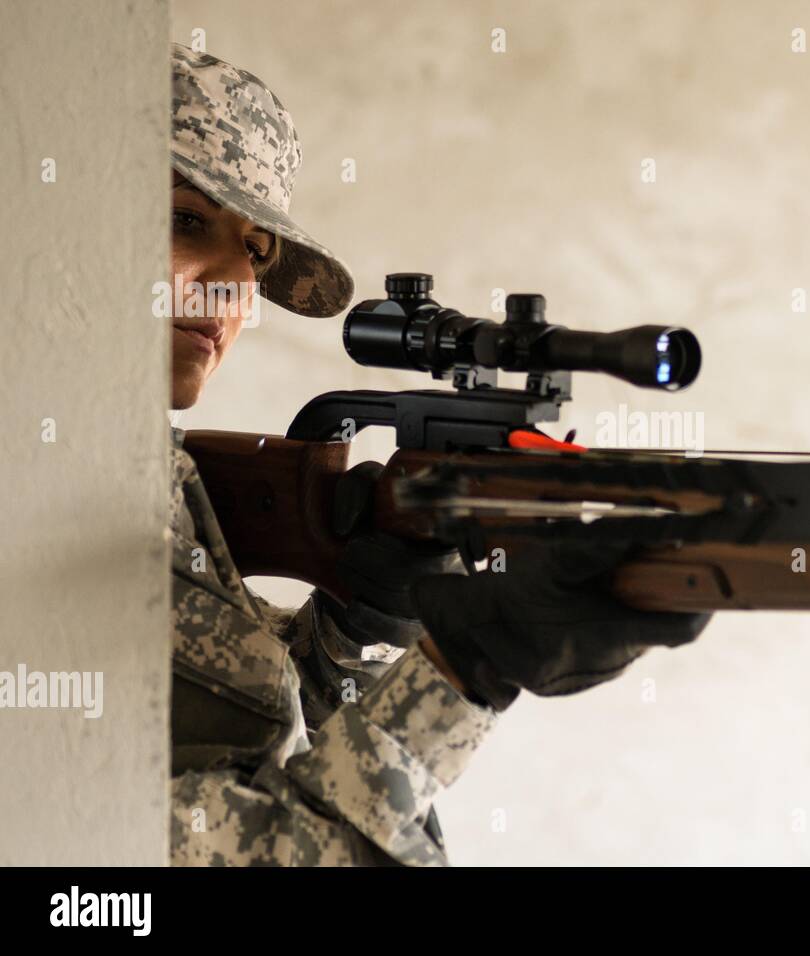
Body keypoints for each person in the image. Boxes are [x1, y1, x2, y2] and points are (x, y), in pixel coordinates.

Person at [166, 42, 710, 865]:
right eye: (184, 220)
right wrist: (466, 667)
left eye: (257, 253)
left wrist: (365, 620)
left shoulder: (144, 474)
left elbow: (236, 730)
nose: (235, 288)